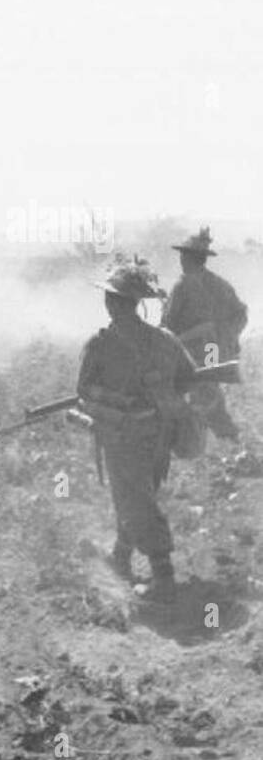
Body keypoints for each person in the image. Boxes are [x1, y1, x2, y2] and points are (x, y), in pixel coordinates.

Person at [78, 257, 198, 601]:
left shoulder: (100, 343)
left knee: (135, 500)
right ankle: (121, 555)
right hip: (161, 434)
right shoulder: (165, 339)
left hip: (123, 435)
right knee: (137, 494)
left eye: (109, 297)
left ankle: (164, 576)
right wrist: (159, 393)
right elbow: (188, 378)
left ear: (113, 302)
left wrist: (116, 399)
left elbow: (84, 390)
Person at [161, 227, 248, 442]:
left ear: (189, 258)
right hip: (213, 350)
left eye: (183, 255)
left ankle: (194, 438)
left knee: (200, 394)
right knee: (209, 388)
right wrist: (225, 338)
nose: (181, 259)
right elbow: (241, 315)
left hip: (190, 352)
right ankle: (228, 435)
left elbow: (167, 325)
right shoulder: (219, 284)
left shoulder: (182, 285)